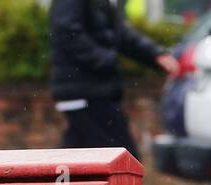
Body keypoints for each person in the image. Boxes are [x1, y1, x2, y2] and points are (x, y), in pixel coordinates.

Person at [49, 0, 179, 159]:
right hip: (86, 91)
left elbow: (119, 33)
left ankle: (38, 182)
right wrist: (104, 59)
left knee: (75, 161)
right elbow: (67, 32)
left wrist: (156, 54)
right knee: (122, 160)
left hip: (93, 90)